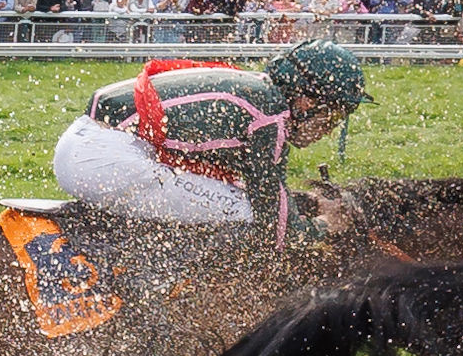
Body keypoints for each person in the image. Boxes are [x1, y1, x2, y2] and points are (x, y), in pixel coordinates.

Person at [49, 43, 367, 230]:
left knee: (233, 199)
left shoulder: (260, 92)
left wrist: (303, 202)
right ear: (306, 101)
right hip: (105, 159)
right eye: (334, 115)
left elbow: (267, 189)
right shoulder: (271, 114)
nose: (329, 128)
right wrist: (324, 227)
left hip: (89, 145)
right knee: (247, 215)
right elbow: (274, 220)